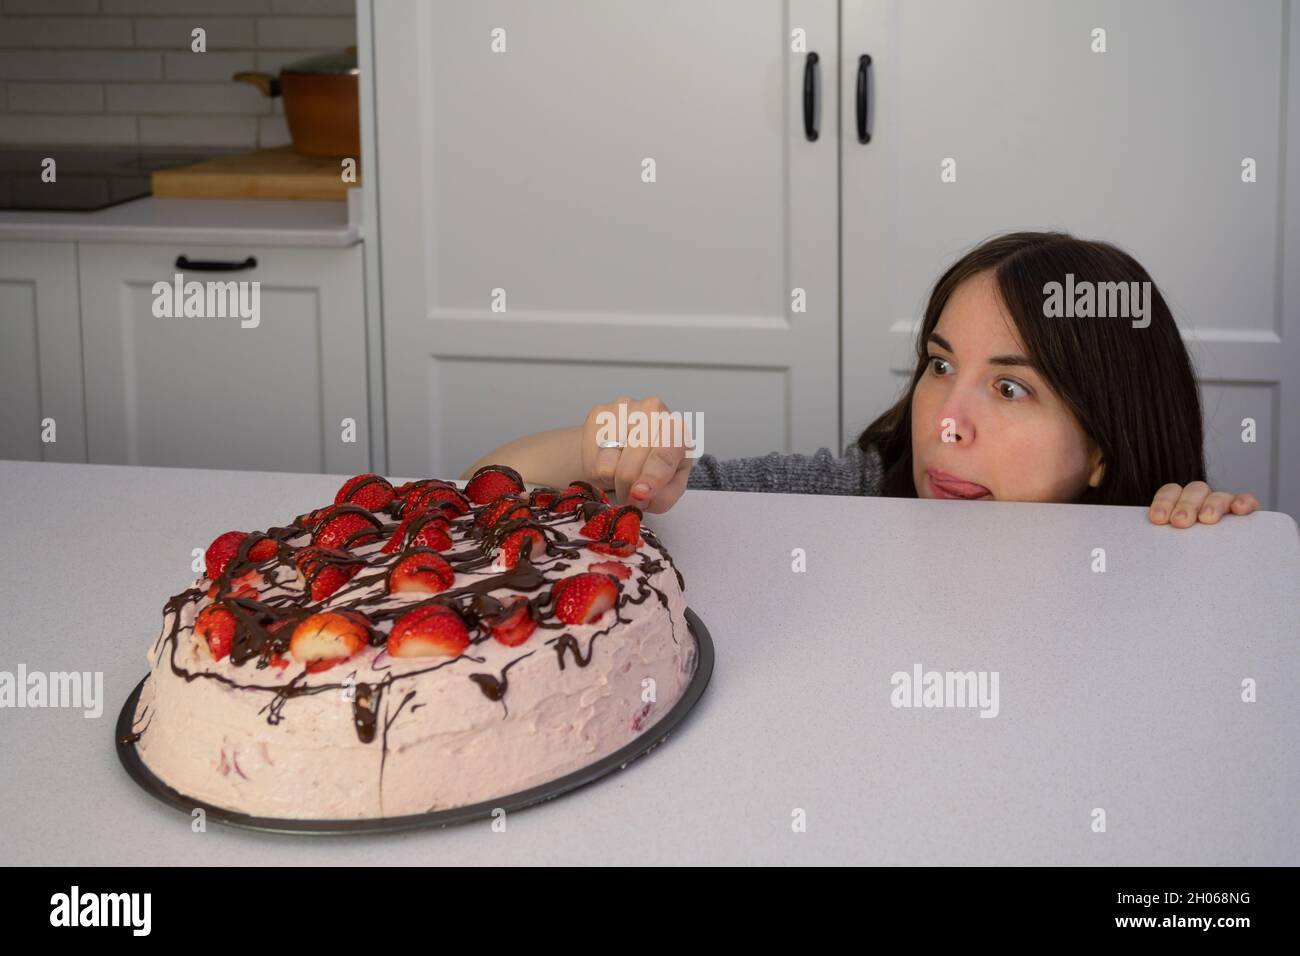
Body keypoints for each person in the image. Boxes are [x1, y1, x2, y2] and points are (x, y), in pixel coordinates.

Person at [463, 231, 1260, 529]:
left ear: (1102, 451)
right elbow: (489, 488)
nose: (946, 422)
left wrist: (1193, 540)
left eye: (1011, 388)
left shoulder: (1146, 546)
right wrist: (613, 447)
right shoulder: (853, 492)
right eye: (941, 366)